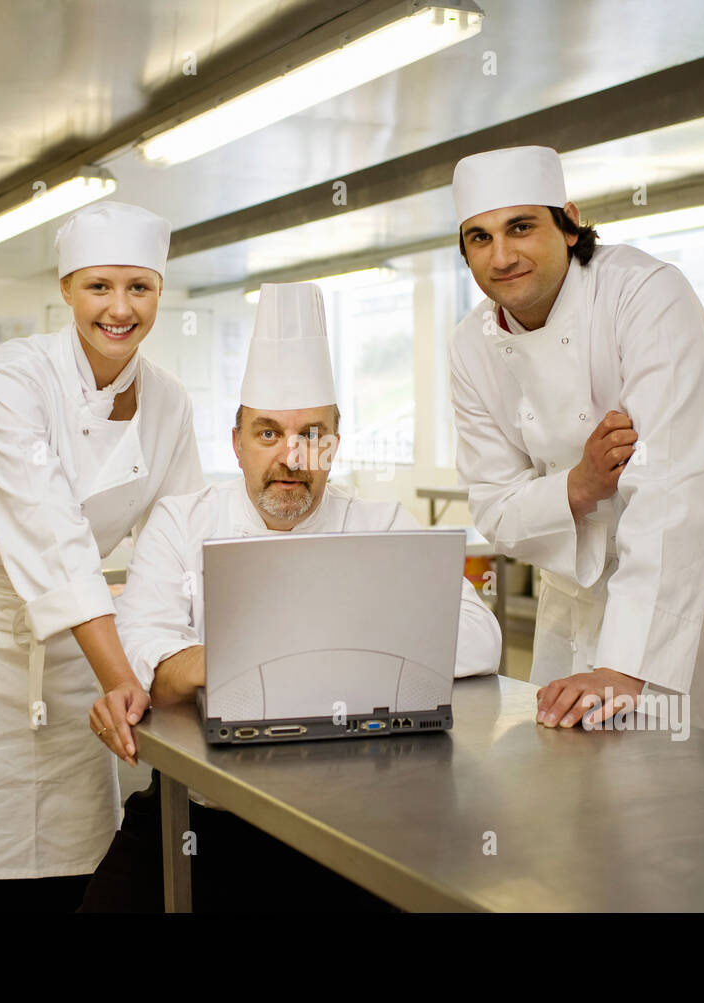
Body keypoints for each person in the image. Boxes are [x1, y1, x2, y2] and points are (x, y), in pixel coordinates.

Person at [79, 282, 500, 912]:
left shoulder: (382, 524)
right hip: (205, 814)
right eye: (269, 433)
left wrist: (238, 660)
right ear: (238, 441)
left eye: (312, 434)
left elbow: (478, 636)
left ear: (335, 441)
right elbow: (145, 652)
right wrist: (356, 650)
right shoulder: (183, 521)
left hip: (357, 820)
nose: (290, 457)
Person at [0, 201, 204, 912]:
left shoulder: (169, 403)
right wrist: (123, 674)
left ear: (160, 291)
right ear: (65, 289)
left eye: (140, 287)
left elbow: (179, 538)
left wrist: (183, 656)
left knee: (79, 854)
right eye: (99, 286)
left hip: (77, 658)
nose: (120, 308)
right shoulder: (13, 380)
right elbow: (52, 535)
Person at [447, 145, 704, 741]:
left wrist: (623, 665)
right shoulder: (469, 346)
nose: (502, 255)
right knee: (562, 809)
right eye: (479, 238)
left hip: (675, 608)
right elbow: (495, 510)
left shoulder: (645, 295)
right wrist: (578, 486)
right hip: (570, 598)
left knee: (683, 807)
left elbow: (671, 486)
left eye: (521, 227)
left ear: (569, 221)